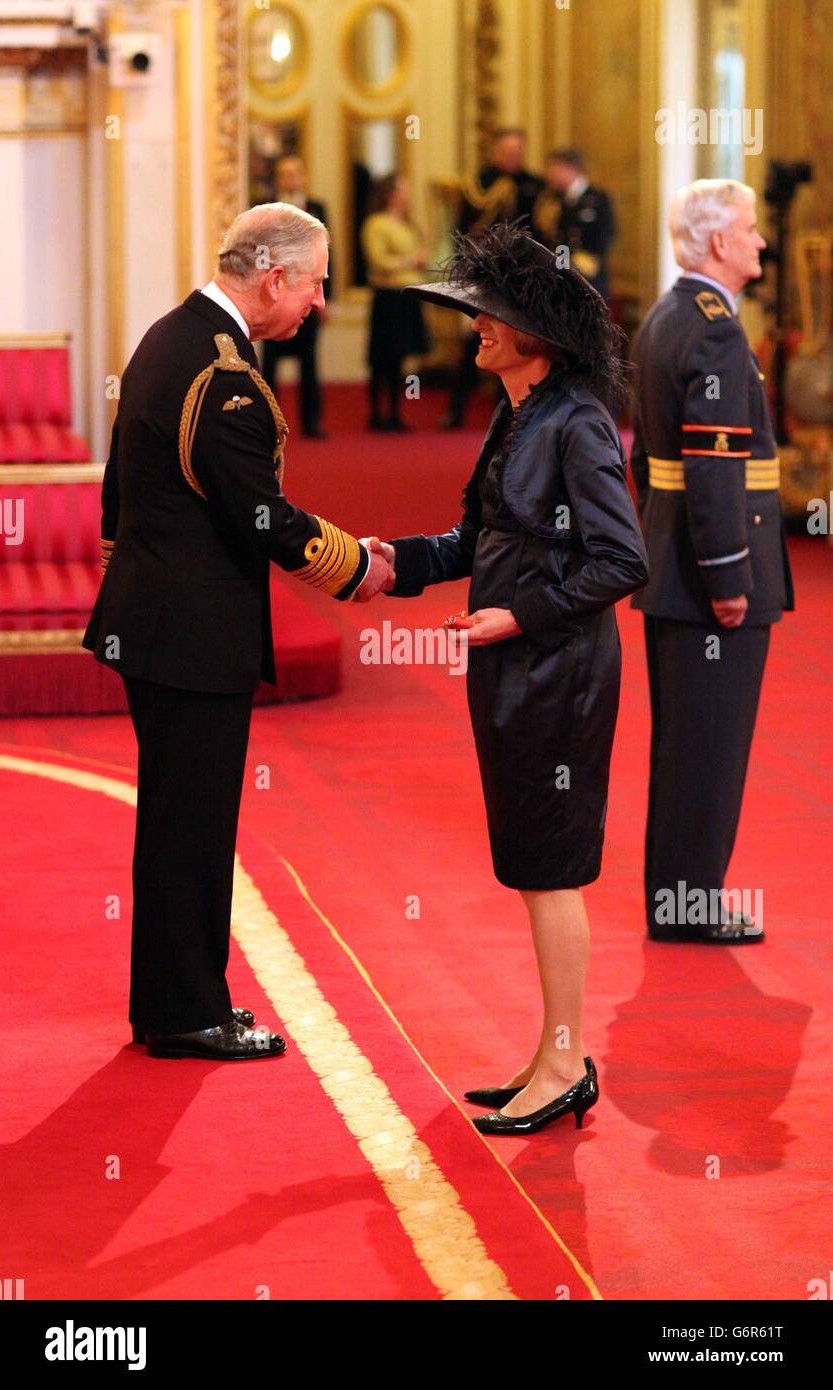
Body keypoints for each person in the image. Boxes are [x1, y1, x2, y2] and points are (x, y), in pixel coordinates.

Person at [82, 203, 395, 1060]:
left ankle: (173, 1004)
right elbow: (261, 513)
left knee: (177, 825)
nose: (321, 302)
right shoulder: (219, 373)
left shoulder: (169, 335)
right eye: (317, 283)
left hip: (156, 623)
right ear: (274, 279)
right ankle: (188, 1014)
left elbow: (119, 491)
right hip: (190, 636)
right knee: (193, 829)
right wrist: (353, 566)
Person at [369, 223, 648, 1135]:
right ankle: (550, 1054)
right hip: (511, 663)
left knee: (552, 867)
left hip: (560, 669)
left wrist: (519, 615)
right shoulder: (515, 411)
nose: (475, 329)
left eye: (490, 318)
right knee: (534, 863)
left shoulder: (579, 426)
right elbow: (471, 539)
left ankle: (565, 1062)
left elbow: (623, 561)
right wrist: (387, 563)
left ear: (536, 336)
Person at [630, 179, 794, 945]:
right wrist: (731, 575)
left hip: (671, 559)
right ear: (720, 244)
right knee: (711, 744)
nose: (762, 241)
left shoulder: (666, 317)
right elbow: (716, 466)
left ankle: (676, 897)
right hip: (711, 572)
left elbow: (648, 460)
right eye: (752, 230)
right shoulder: (716, 331)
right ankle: (690, 904)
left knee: (685, 741)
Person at [444, 129, 545, 429]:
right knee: (473, 344)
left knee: (515, 346)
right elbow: (462, 234)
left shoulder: (535, 186)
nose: (512, 156)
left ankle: (512, 412)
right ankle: (456, 410)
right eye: (507, 151)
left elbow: (541, 235)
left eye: (517, 151)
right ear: (496, 152)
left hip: (519, 279)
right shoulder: (478, 184)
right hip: (484, 277)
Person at [261, 154, 330, 438]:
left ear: (302, 176)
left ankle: (311, 423)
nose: (290, 178)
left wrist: (327, 296)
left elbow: (328, 255)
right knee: (270, 365)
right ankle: (267, 425)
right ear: (277, 178)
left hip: (307, 296)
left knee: (310, 363)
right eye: (284, 173)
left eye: (295, 172)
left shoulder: (317, 208)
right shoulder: (264, 211)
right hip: (274, 297)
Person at [361, 173, 430, 432]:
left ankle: (395, 411)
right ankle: (376, 413)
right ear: (391, 194)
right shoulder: (376, 223)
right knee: (382, 357)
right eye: (404, 190)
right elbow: (378, 260)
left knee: (400, 358)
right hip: (387, 297)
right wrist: (411, 260)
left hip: (407, 295)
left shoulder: (408, 223)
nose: (408, 196)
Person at [535, 148, 616, 302]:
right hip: (564, 274)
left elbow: (607, 235)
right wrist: (561, 267)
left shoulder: (597, 199)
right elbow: (558, 241)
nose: (550, 175)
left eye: (555, 170)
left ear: (571, 169)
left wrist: (581, 261)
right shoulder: (556, 199)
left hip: (589, 278)